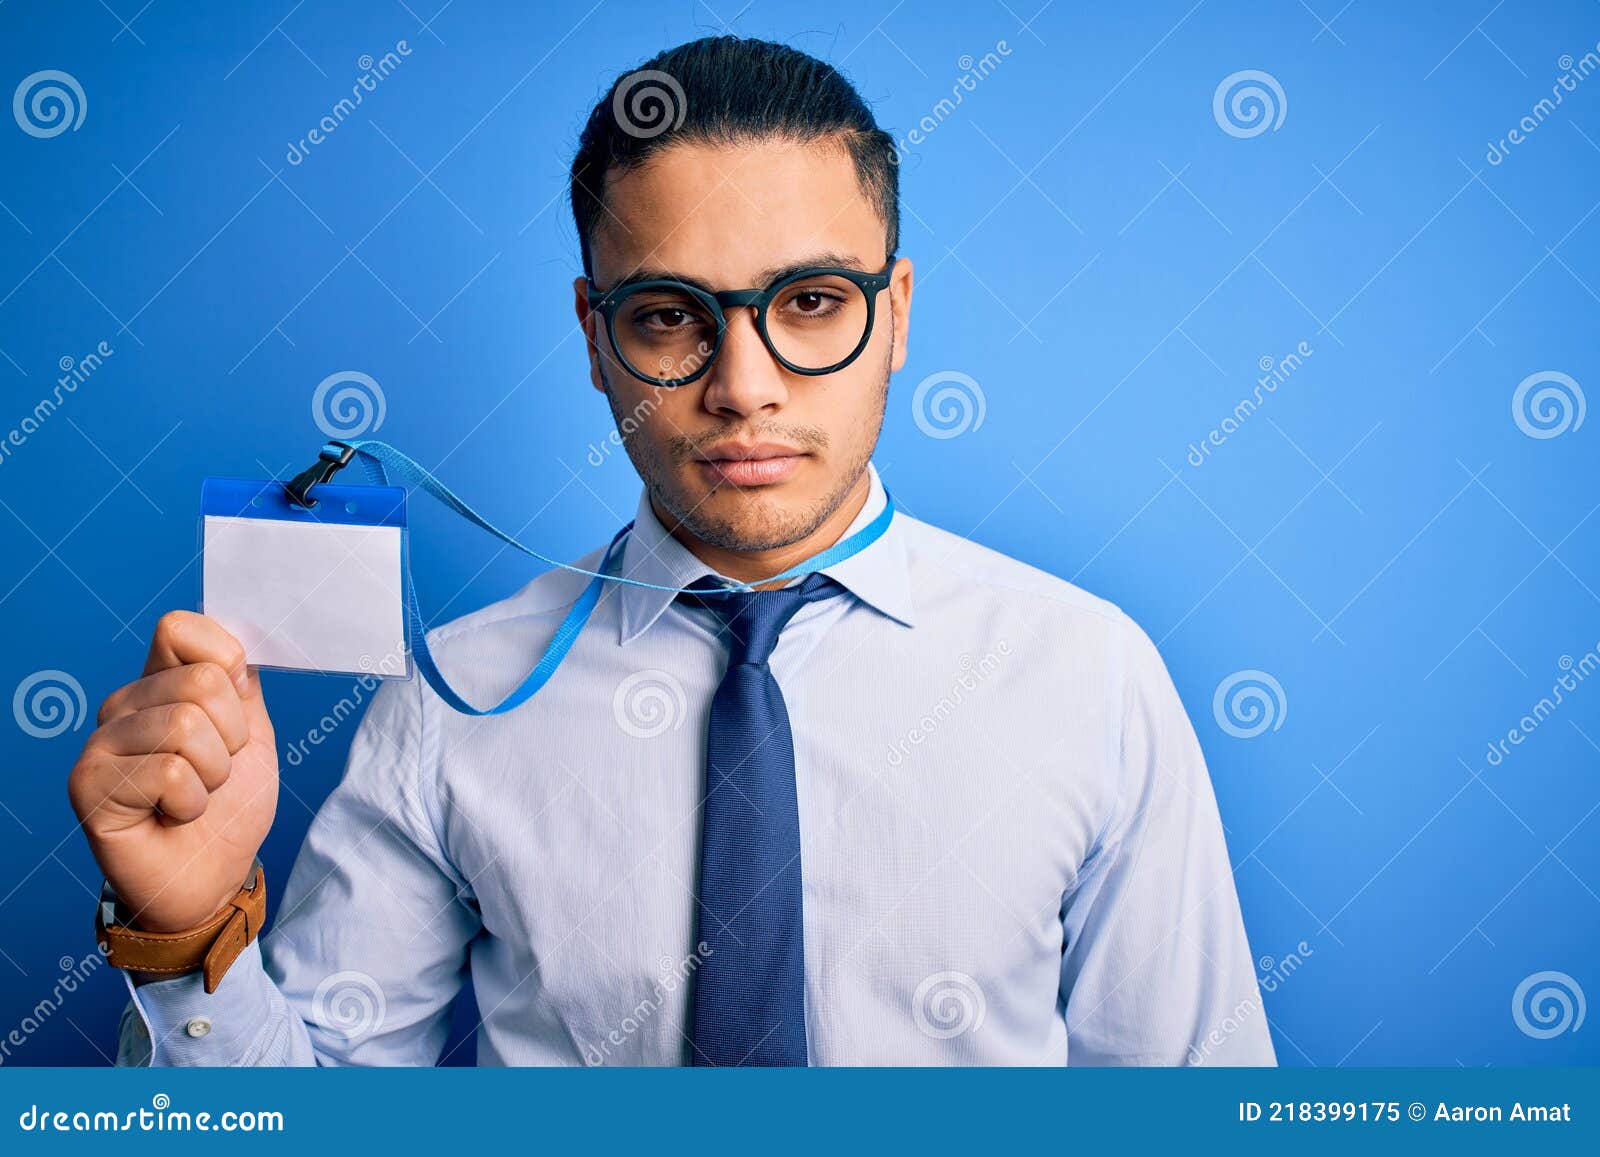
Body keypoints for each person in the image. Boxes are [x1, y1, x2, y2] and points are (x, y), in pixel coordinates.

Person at [67, 35, 1275, 1067]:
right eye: (668, 316)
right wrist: (186, 940)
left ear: (894, 313)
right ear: (595, 337)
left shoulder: (1088, 676)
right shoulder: (455, 697)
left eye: (810, 302)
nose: (743, 389)